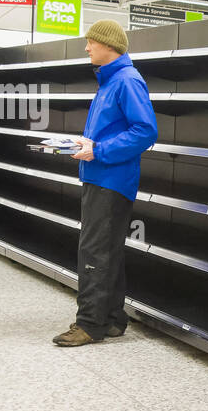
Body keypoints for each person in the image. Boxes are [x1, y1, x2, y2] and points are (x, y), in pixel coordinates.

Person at [52, 20, 157, 347]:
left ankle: (89, 324)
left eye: (91, 42)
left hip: (112, 179)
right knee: (107, 250)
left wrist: (98, 150)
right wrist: (86, 145)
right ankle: (112, 318)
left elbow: (145, 131)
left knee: (94, 250)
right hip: (102, 175)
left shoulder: (126, 81)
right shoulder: (110, 81)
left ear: (109, 45)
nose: (87, 48)